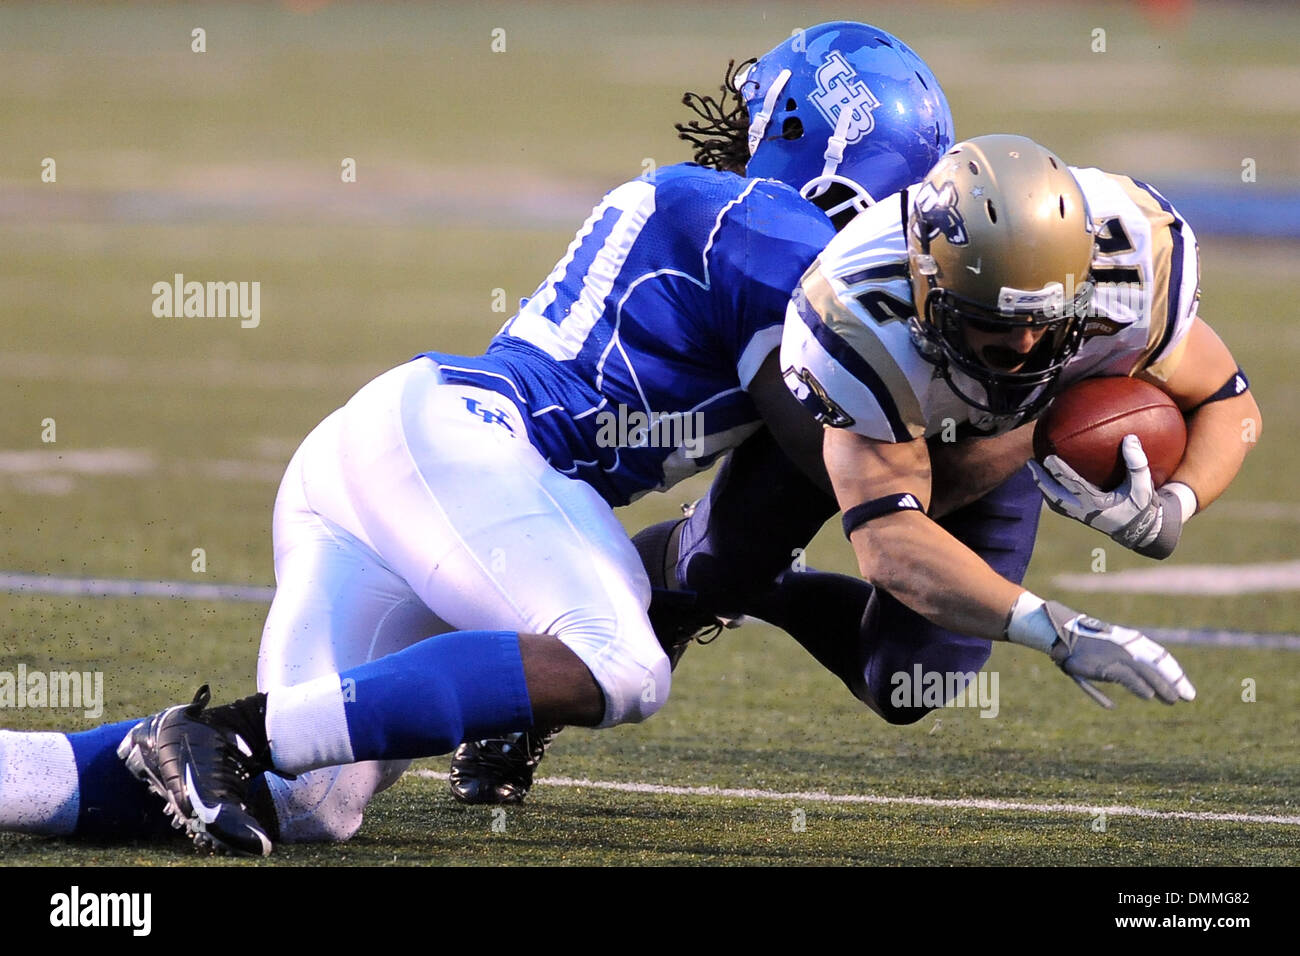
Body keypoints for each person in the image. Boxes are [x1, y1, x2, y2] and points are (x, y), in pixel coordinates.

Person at [0, 21, 957, 855]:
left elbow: (775, 509)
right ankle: (215, 730)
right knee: (619, 660)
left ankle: (43, 769)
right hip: (467, 450)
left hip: (410, 470)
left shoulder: (748, 235)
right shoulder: (761, 227)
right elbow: (844, 455)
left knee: (310, 801)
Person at [458, 133, 1261, 805]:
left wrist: (1178, 505)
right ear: (929, 286)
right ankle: (567, 665)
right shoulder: (851, 316)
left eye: (1043, 326)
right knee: (714, 569)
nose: (1022, 349)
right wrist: (1057, 627)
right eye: (992, 326)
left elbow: (1227, 398)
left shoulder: (1133, 265)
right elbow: (891, 542)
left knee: (907, 682)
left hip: (1005, 442)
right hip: (873, 417)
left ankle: (765, 592)